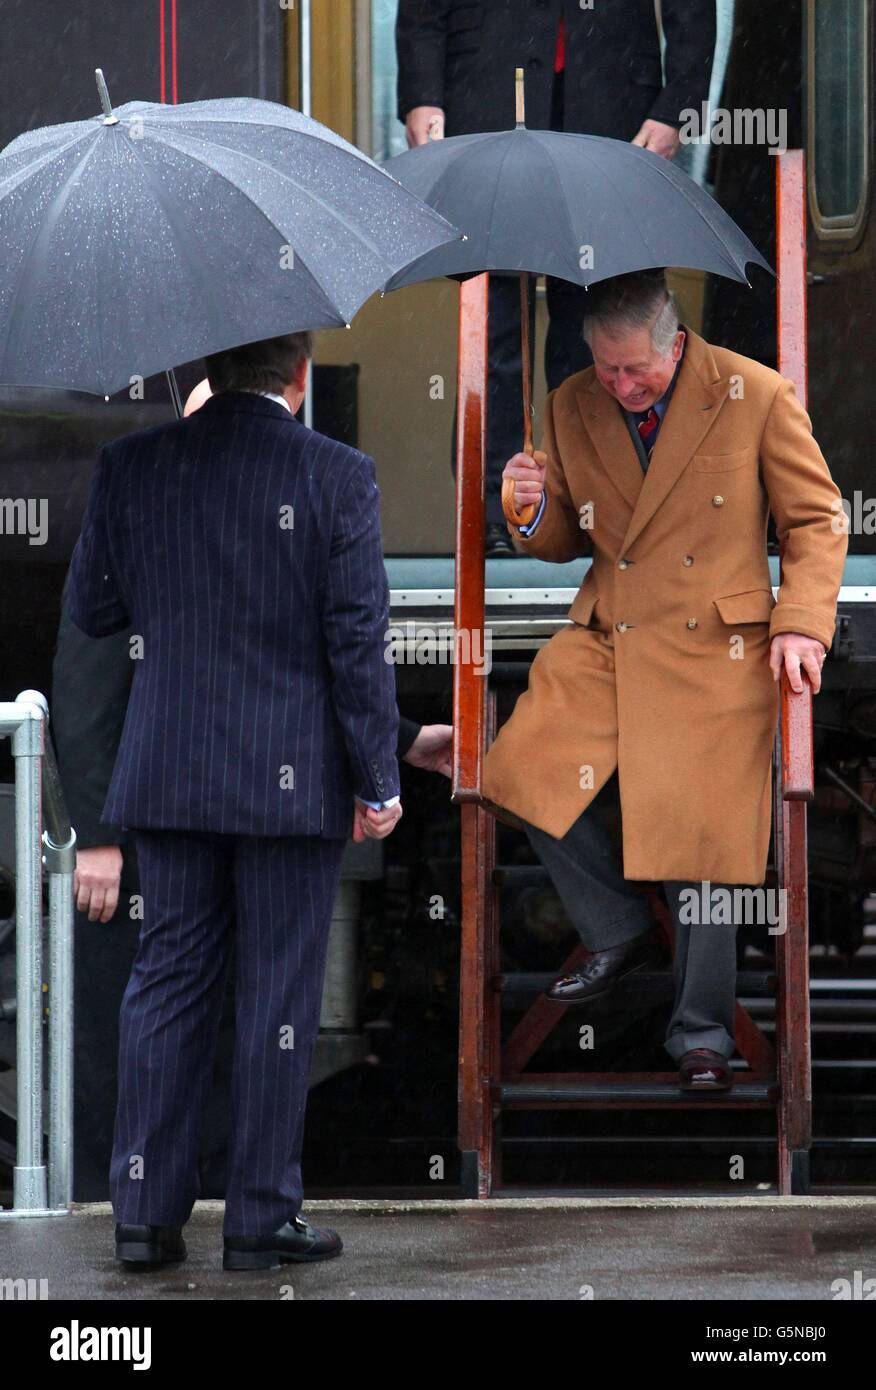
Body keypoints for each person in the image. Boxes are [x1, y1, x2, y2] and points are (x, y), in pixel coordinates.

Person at [66, 332, 403, 1270]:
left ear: (210, 372)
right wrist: (377, 777)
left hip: (170, 769)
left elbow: (94, 611)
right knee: (277, 992)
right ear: (300, 375)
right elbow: (357, 644)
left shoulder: (132, 463)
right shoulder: (337, 474)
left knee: (167, 979)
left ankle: (143, 1216)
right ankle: (258, 1217)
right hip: (288, 779)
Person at [482, 270, 847, 1089]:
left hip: (717, 647)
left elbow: (817, 519)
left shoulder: (755, 392)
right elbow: (563, 537)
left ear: (675, 345)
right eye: (607, 369)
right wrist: (528, 506)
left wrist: (800, 622)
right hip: (610, 638)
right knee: (514, 770)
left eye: (635, 370)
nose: (620, 385)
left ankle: (702, 1034)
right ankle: (618, 928)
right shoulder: (570, 403)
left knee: (704, 836)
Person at [396, 0, 716, 554]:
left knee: (603, 326)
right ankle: (495, 508)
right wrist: (423, 93)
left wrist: (679, 105)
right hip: (487, 85)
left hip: (616, 97)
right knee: (493, 324)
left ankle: (595, 506)